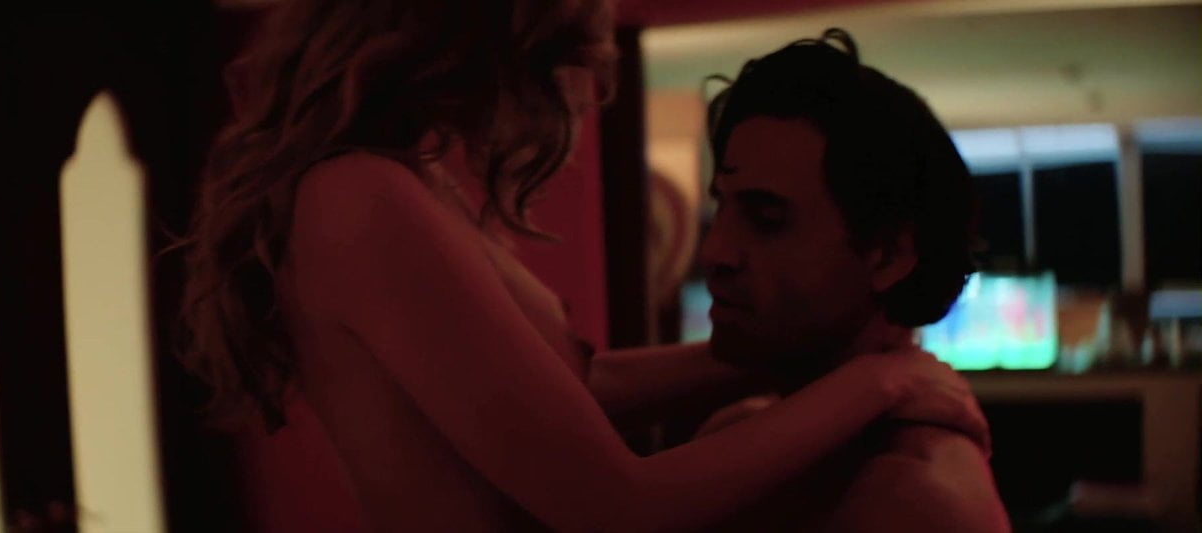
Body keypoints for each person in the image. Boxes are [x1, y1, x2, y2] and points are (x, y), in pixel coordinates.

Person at [177, 2, 988, 531]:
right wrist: (880, 381)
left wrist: (800, 354)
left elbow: (575, 390)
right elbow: (615, 506)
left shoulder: (406, 180)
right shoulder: (358, 195)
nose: (594, 86)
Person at [694, 29, 1010, 531]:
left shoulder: (913, 499)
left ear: (887, 255)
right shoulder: (738, 433)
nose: (714, 252)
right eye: (722, 208)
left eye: (767, 219)